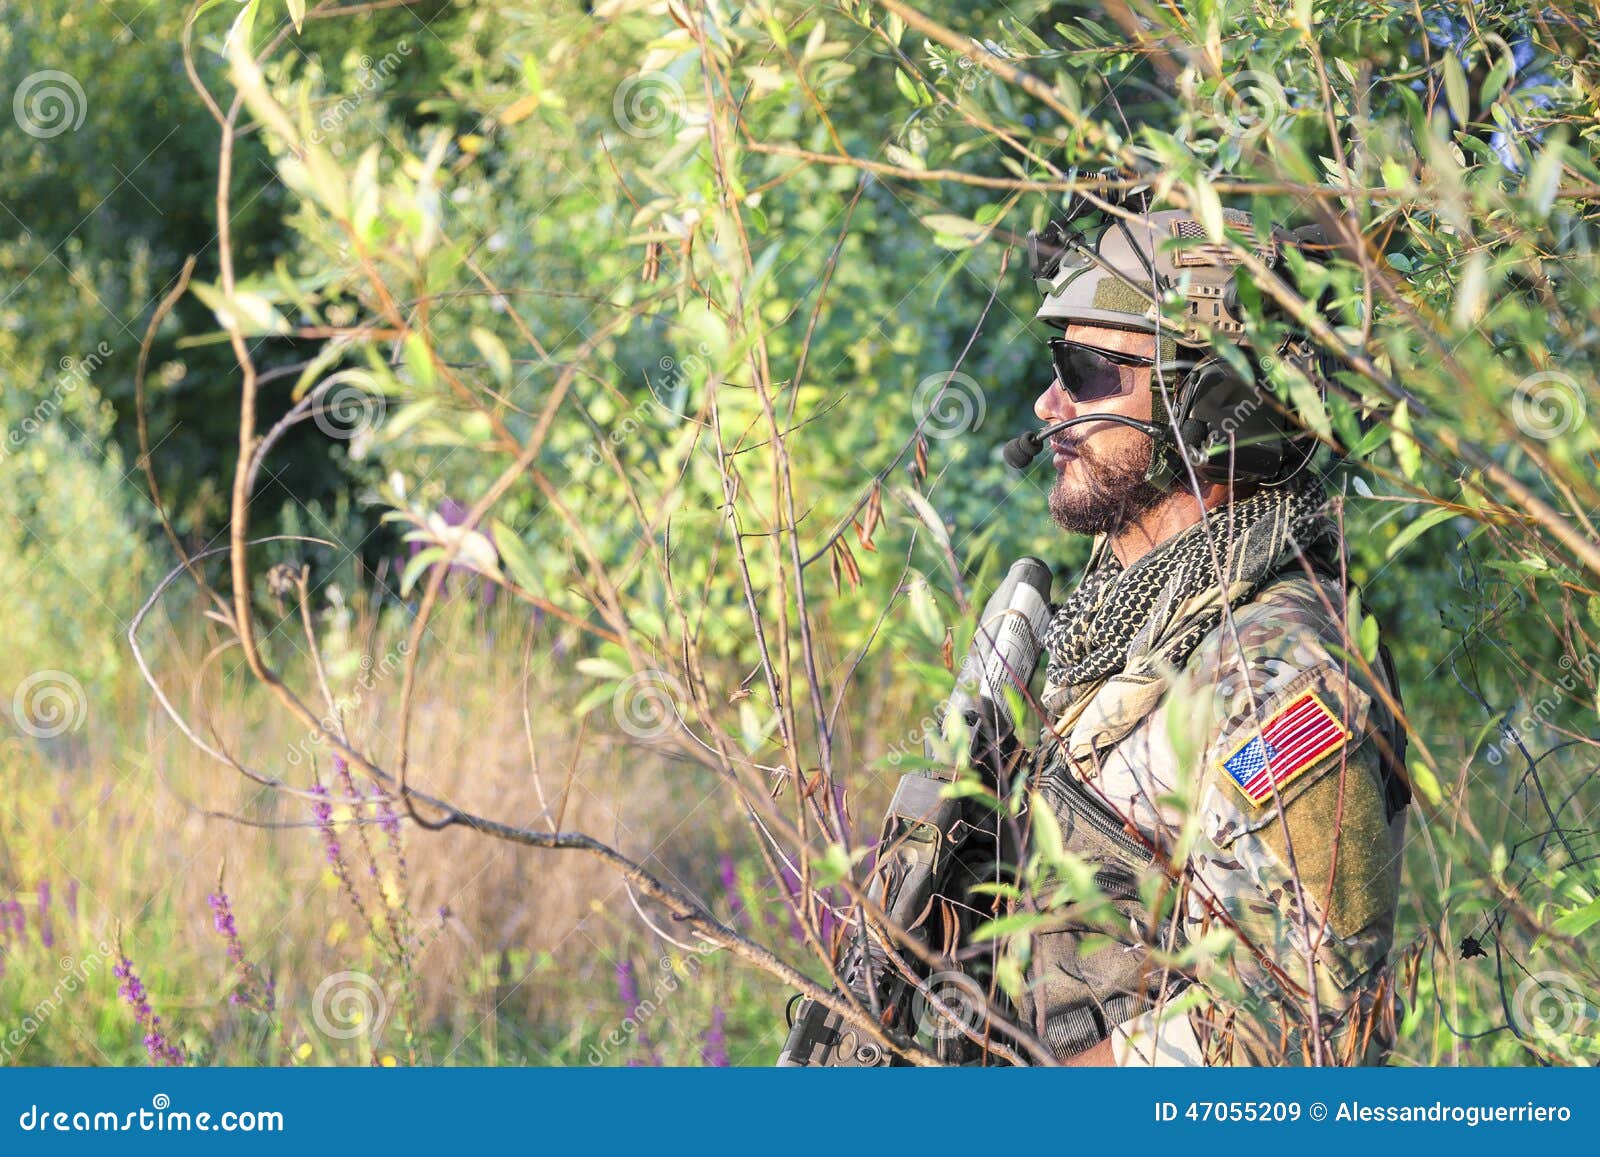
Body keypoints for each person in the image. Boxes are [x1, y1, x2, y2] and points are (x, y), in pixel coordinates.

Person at [1011, 200, 1411, 1066]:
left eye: (1084, 369)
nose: (1047, 403)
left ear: (1206, 400)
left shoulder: (1278, 672)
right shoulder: (1130, 634)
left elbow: (1314, 1030)